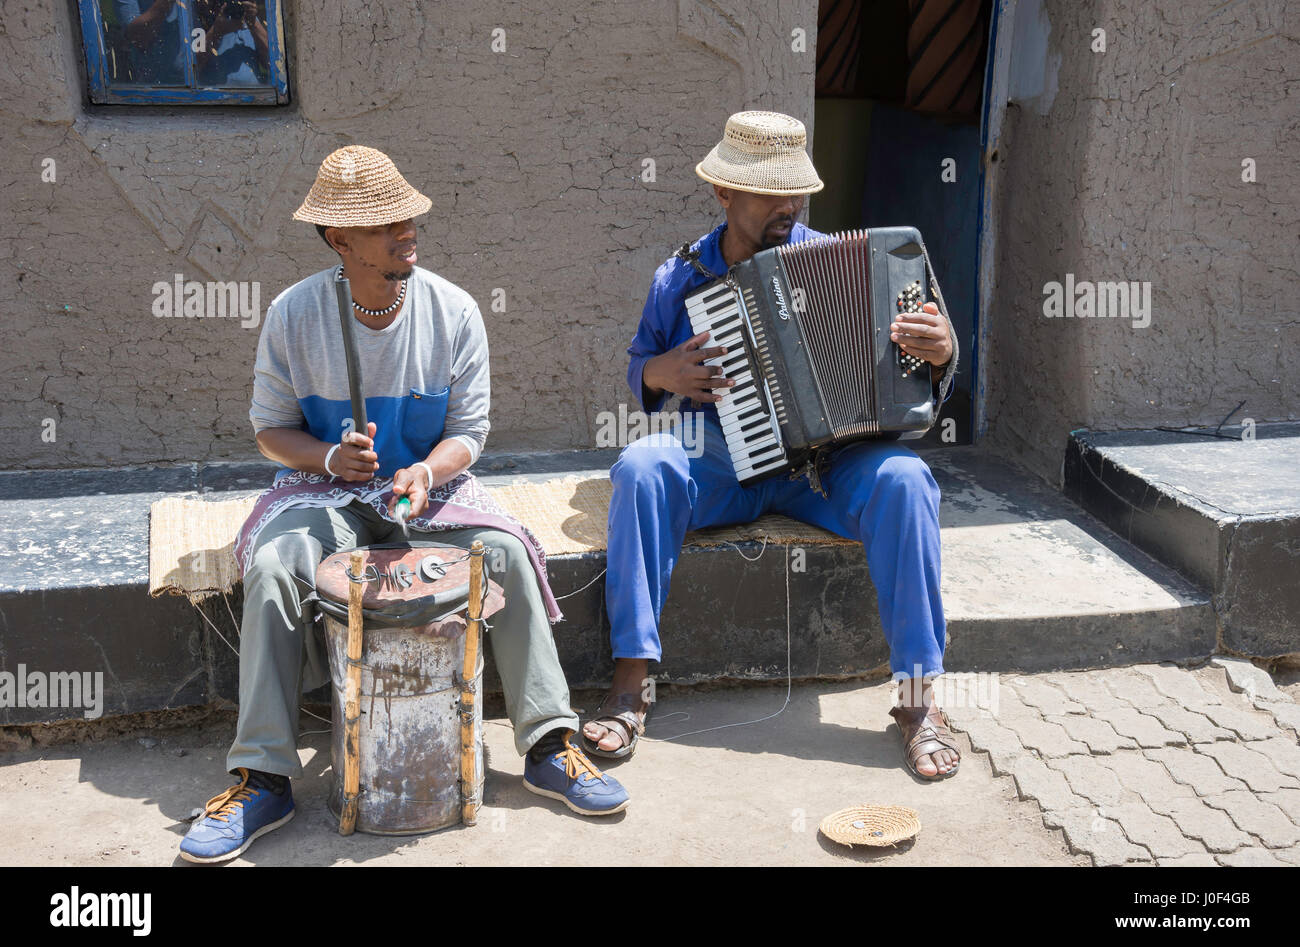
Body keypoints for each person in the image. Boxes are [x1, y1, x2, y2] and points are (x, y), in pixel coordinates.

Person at [180, 146, 628, 864]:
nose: (407, 230)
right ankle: (262, 774)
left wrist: (424, 467)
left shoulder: (454, 311)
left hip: (430, 487)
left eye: (408, 216)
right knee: (273, 563)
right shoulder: (295, 314)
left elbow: (470, 434)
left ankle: (549, 741)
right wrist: (328, 457)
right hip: (322, 489)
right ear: (340, 241)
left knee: (505, 552)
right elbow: (269, 431)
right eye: (386, 223)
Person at [581, 111, 962, 781]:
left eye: (795, 193)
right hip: (724, 452)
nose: (788, 207)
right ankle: (630, 683)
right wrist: (661, 372)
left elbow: (926, 358)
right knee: (641, 465)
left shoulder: (861, 262)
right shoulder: (681, 275)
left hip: (832, 461)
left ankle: (918, 704)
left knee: (906, 480)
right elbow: (641, 362)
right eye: (770, 194)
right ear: (724, 195)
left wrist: (942, 350)